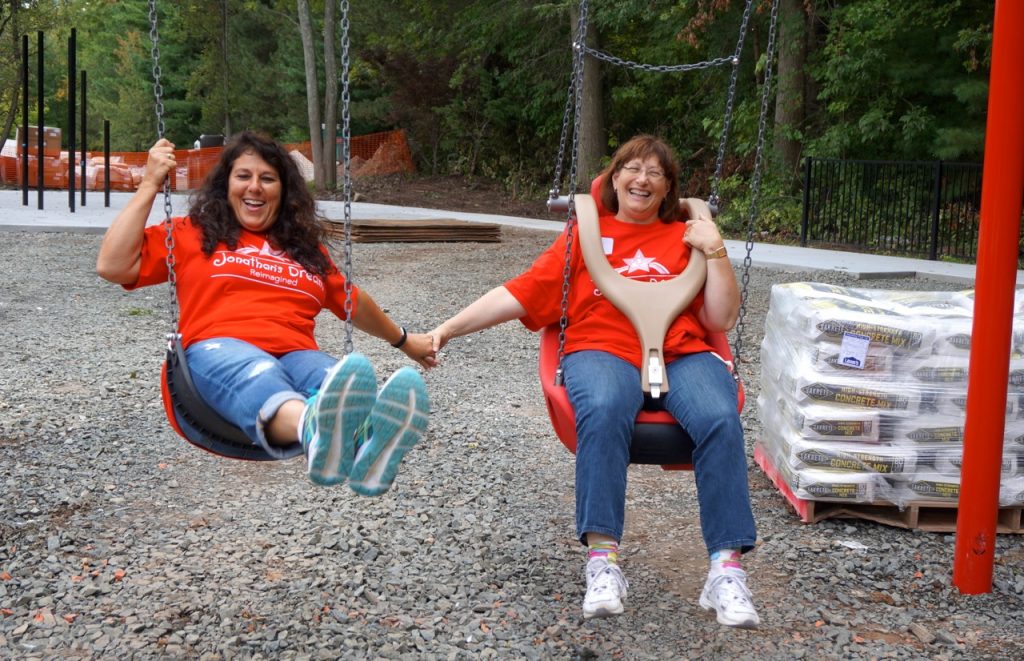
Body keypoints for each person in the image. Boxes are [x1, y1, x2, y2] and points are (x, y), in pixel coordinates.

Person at [427, 135, 759, 627]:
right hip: (601, 347)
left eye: (655, 173)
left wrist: (715, 251)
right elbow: (523, 293)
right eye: (633, 168)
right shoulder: (585, 234)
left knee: (719, 416)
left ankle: (725, 572)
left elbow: (721, 318)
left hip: (680, 351)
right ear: (615, 177)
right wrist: (446, 330)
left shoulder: (686, 237)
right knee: (603, 407)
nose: (642, 180)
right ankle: (603, 563)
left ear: (668, 187)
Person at [96, 131, 435, 497]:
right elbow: (113, 265)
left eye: (268, 178)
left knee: (331, 377)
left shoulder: (306, 252)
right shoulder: (193, 234)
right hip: (217, 351)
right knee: (260, 371)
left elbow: (353, 302)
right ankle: (311, 426)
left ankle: (368, 448)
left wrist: (404, 340)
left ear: (283, 191)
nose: (254, 187)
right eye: (243, 176)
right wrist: (149, 184)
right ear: (226, 185)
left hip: (296, 354)